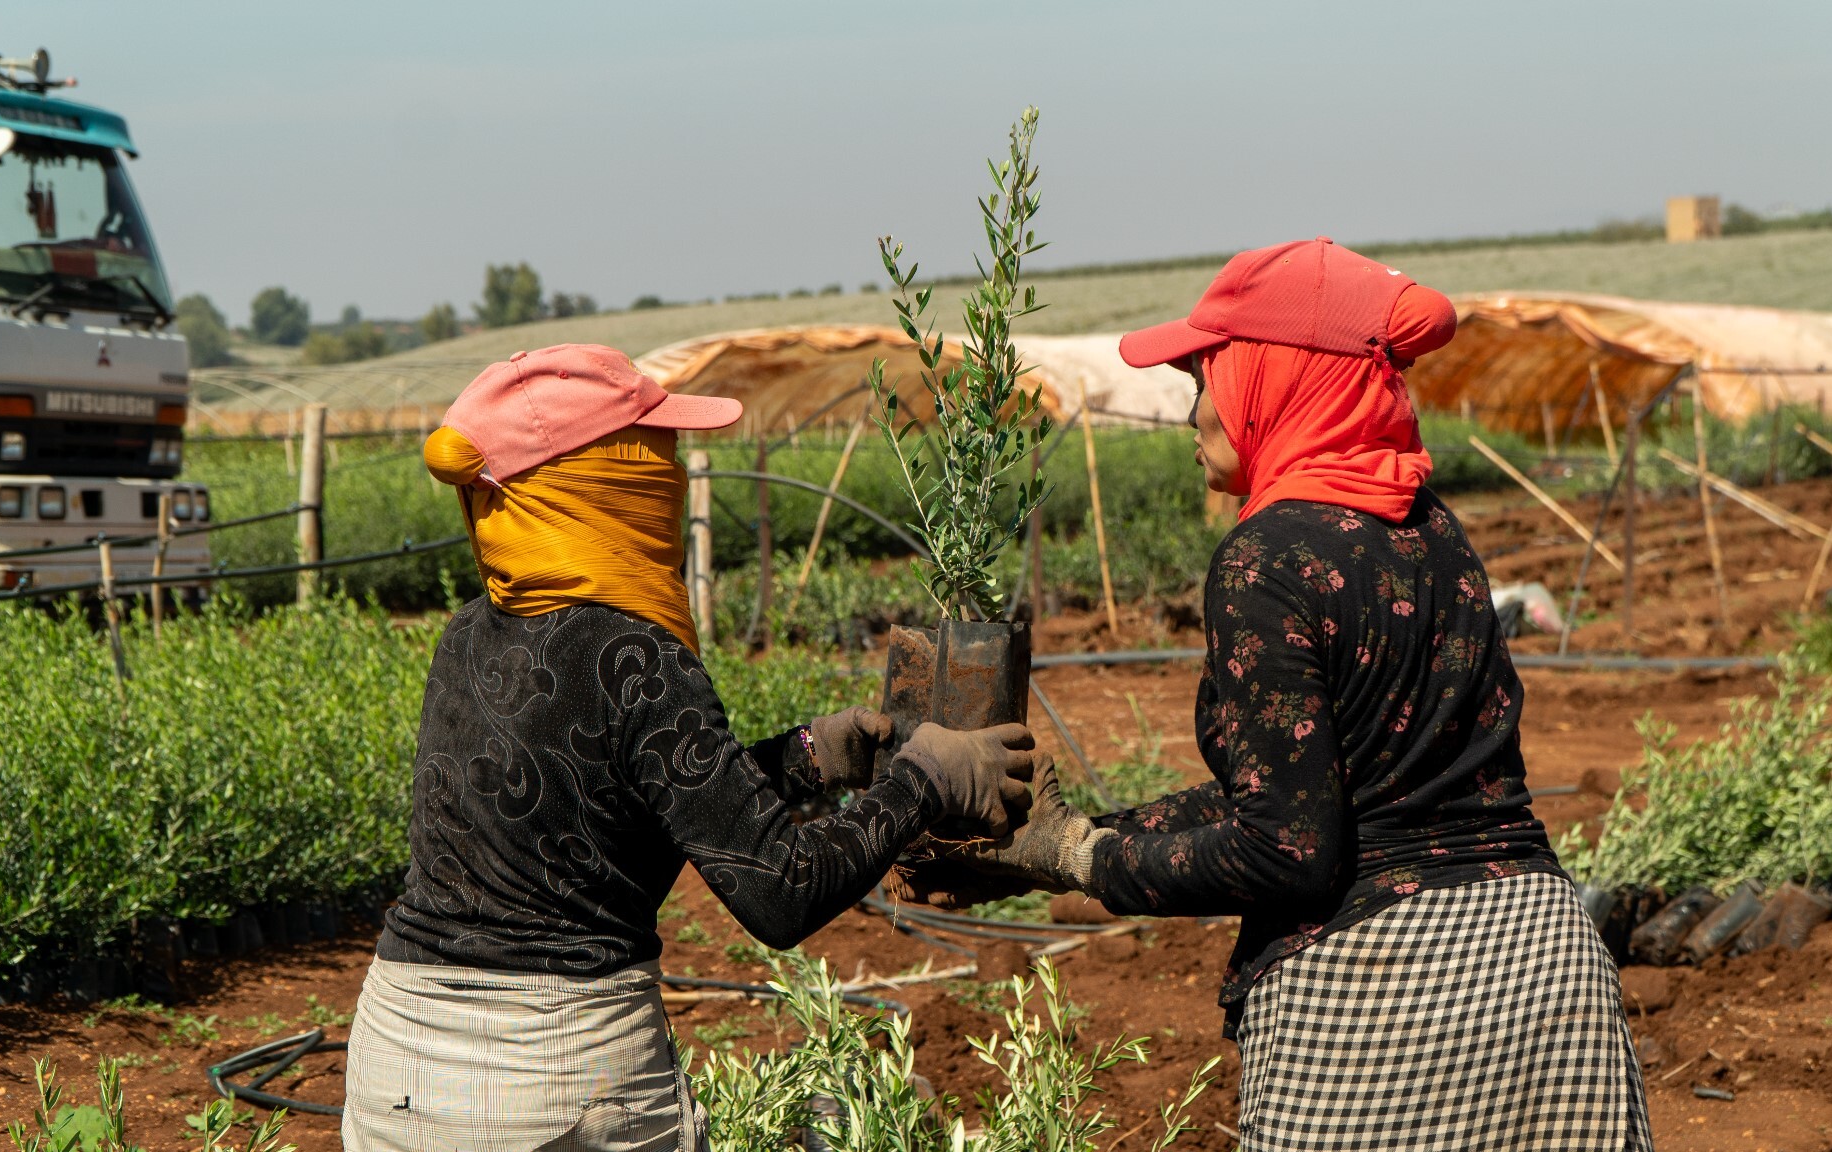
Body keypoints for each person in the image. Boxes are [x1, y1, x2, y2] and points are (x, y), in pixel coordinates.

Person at [945, 241, 1653, 1150]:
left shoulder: (1267, 559)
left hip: (1384, 998)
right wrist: (1079, 837)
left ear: (1272, 382)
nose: (1195, 410)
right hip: (1548, 973)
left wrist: (1085, 860)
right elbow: (1308, 780)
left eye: (1209, 376)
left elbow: (1290, 852)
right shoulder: (1433, 530)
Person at [343, 344, 1039, 1152]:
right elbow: (781, 894)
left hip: (398, 1064)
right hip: (556, 1079)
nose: (672, 470)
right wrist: (924, 779)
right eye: (657, 452)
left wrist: (812, 756)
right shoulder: (635, 655)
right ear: (608, 478)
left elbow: (617, 807)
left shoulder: (469, 636)